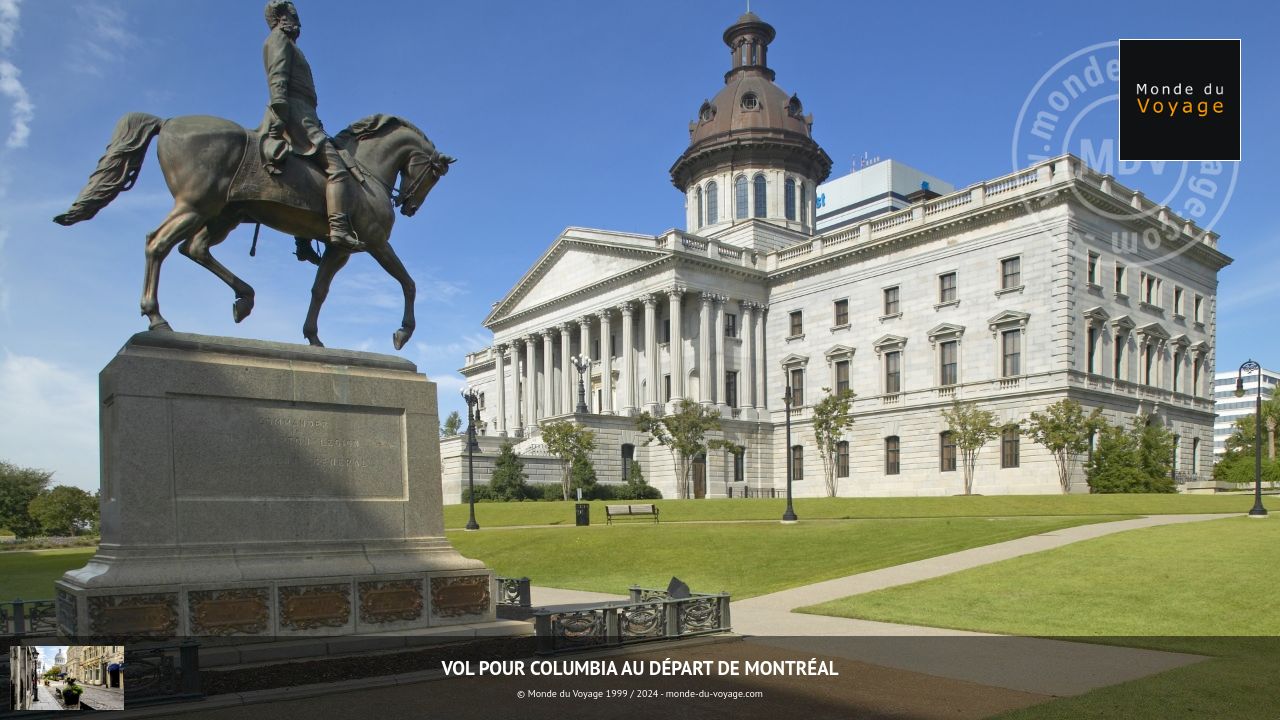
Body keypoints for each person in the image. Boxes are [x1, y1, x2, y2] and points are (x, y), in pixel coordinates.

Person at [262, 1, 363, 260]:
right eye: (293, 16)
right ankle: (339, 230)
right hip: (294, 114)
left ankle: (303, 243)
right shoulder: (279, 40)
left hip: (304, 115)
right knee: (337, 170)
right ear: (280, 18)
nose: (298, 22)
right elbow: (278, 82)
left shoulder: (290, 44)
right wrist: (281, 121)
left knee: (308, 176)